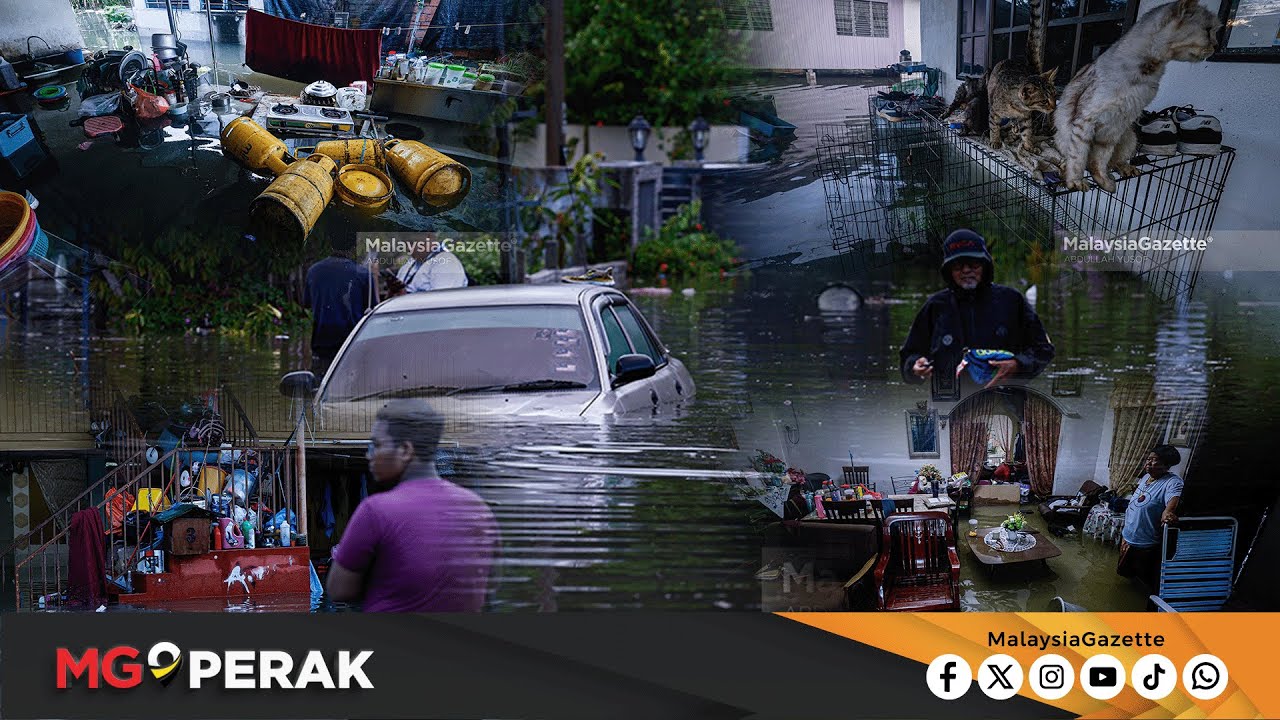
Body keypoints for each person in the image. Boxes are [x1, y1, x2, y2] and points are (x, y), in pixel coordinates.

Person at [326, 399, 498, 612]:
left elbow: (338, 590)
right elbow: (488, 589)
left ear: (405, 450)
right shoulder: (479, 510)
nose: (369, 455)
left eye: (377, 445)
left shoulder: (376, 511)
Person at [899, 229, 1054, 389]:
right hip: (948, 406)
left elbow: (1043, 349)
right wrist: (914, 366)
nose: (966, 270)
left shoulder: (1012, 301)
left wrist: (1018, 365)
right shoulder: (935, 306)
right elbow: (910, 355)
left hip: (1004, 402)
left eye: (973, 264)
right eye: (958, 266)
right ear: (949, 271)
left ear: (985, 266)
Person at [305, 234, 373, 376]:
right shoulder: (362, 274)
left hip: (322, 347)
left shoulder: (313, 271)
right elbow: (372, 310)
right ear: (354, 247)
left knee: (320, 389)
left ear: (331, 246)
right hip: (352, 346)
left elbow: (307, 304)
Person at [1117, 445, 1183, 589]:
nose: (1148, 463)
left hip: (1145, 543)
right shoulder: (1146, 477)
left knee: (1142, 582)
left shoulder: (1172, 482)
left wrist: (1168, 511)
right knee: (1125, 574)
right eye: (1148, 459)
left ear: (1166, 465)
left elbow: (1173, 498)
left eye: (1155, 460)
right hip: (1128, 536)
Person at [389, 241, 468, 294]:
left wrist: (405, 297)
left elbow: (442, 304)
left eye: (411, 242)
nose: (407, 247)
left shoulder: (446, 262)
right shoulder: (409, 265)